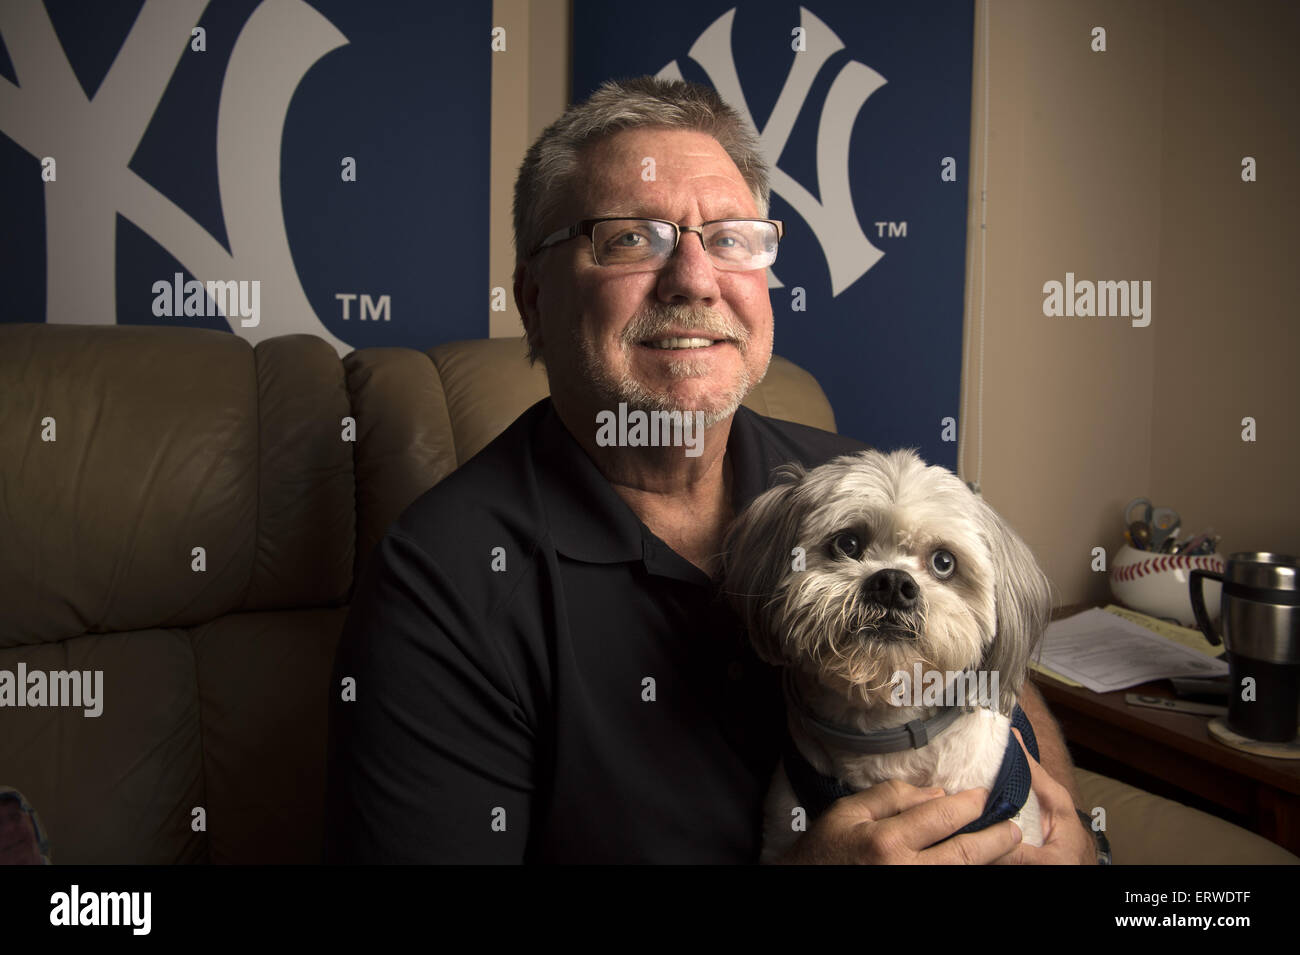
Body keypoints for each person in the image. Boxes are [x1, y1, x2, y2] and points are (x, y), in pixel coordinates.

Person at [324, 76, 1096, 864]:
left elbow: (989, 669)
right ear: (533, 298)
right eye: (631, 237)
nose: (694, 279)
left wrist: (1064, 824)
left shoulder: (846, 481)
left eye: (730, 237)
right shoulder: (444, 587)